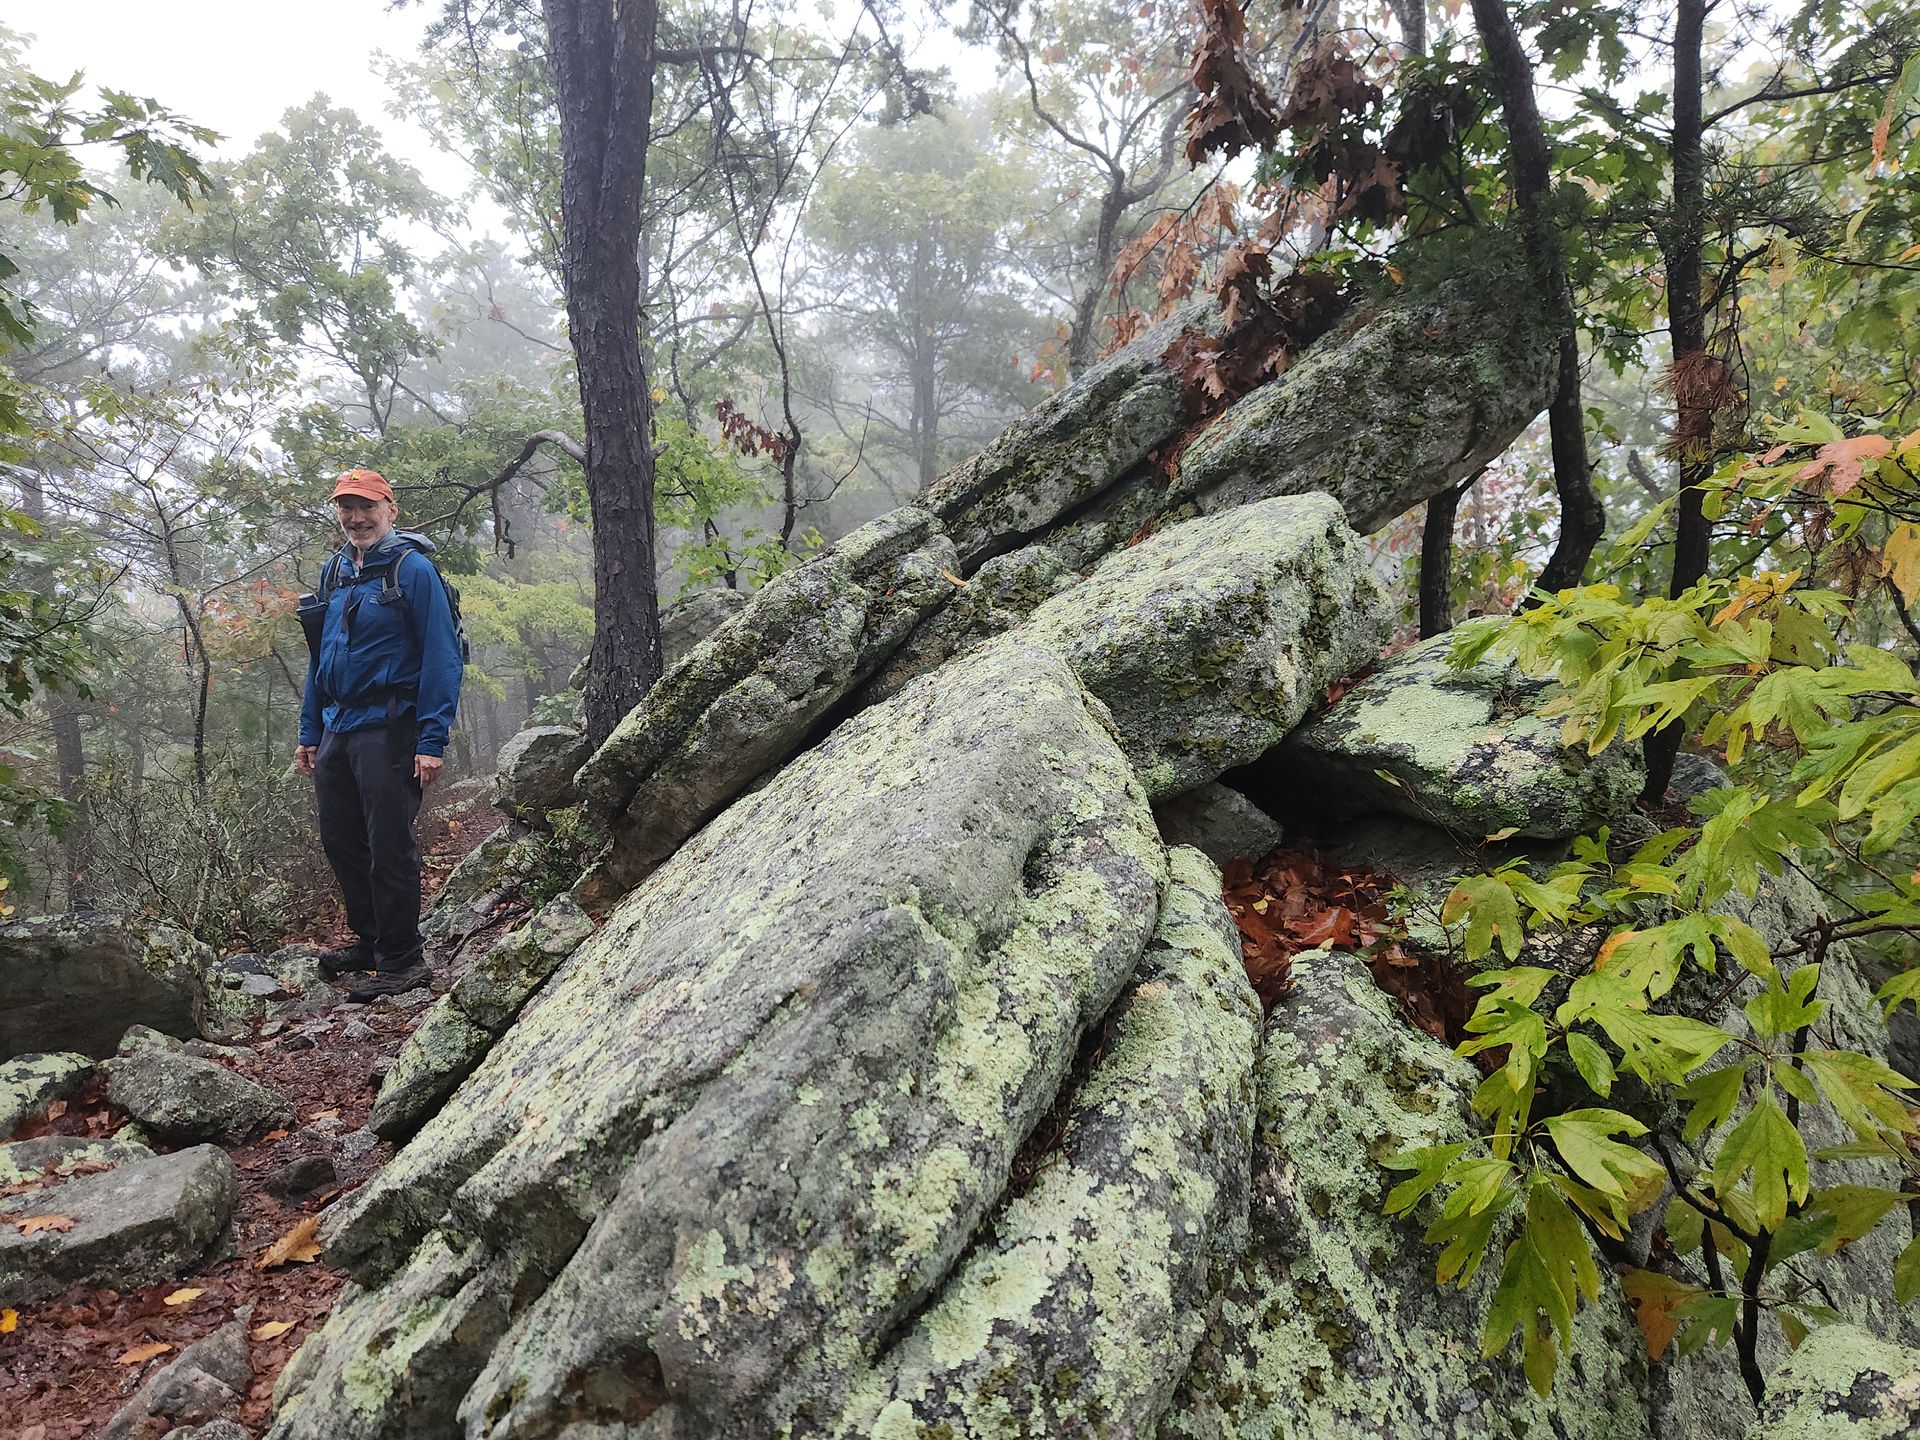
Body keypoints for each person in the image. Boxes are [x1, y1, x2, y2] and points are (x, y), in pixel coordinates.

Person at [295, 469, 463, 1002]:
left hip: (391, 728)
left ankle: (402, 959)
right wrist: (310, 730)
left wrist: (431, 740)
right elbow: (320, 658)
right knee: (342, 842)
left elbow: (443, 655)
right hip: (338, 727)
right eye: (346, 507)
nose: (356, 517)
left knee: (388, 845)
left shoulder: (413, 571)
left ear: (391, 510)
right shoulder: (335, 571)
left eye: (367, 507)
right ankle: (370, 943)